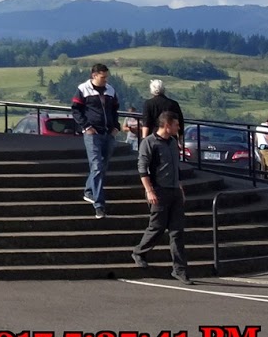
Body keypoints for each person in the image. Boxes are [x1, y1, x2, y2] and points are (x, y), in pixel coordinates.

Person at [131, 111, 193, 284]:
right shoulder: (149, 143)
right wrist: (149, 191)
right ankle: (139, 252)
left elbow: (175, 167)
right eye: (175, 124)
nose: (178, 127)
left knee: (177, 231)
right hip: (158, 190)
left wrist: (179, 186)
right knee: (157, 227)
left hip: (174, 190)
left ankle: (179, 269)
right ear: (167, 125)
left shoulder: (172, 142)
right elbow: (142, 168)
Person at [70, 63, 120, 218]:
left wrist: (116, 126)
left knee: (102, 166)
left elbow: (115, 110)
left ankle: (89, 190)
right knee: (97, 165)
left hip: (108, 132)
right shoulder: (83, 89)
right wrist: (86, 126)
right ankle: (99, 205)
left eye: (106, 77)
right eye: (103, 77)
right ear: (94, 75)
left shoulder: (110, 90)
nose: (105, 80)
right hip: (92, 133)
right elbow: (75, 109)